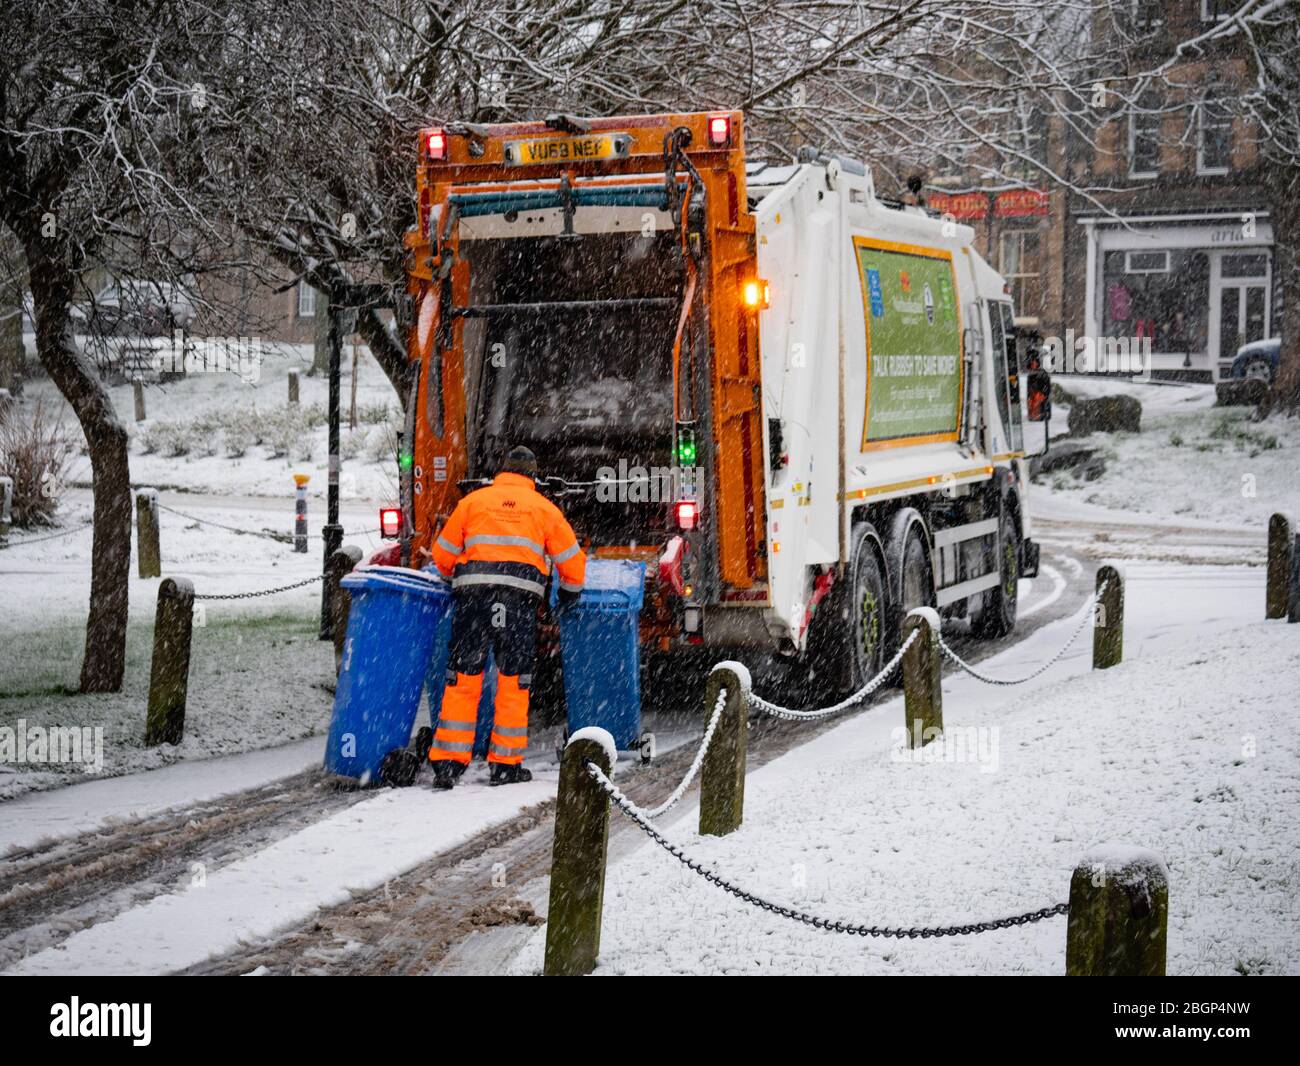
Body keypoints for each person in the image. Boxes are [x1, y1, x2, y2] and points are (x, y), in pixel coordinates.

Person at [425, 446, 586, 788]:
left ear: (502, 473)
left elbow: (442, 556)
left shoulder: (473, 502)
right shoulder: (545, 509)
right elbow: (572, 561)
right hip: (517, 604)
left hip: (472, 600)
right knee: (514, 681)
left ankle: (449, 762)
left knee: (463, 678)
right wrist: (570, 591)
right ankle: (505, 765)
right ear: (532, 477)